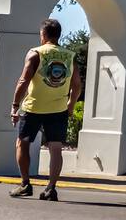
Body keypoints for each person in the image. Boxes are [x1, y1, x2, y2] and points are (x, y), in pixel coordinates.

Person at [9, 18, 83, 200]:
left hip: (32, 107)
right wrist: (71, 106)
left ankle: (25, 184)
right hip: (58, 109)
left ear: (43, 35)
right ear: (58, 35)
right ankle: (51, 188)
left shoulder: (35, 53)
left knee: (22, 143)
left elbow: (23, 81)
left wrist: (15, 106)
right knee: (56, 149)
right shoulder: (69, 56)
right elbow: (77, 85)